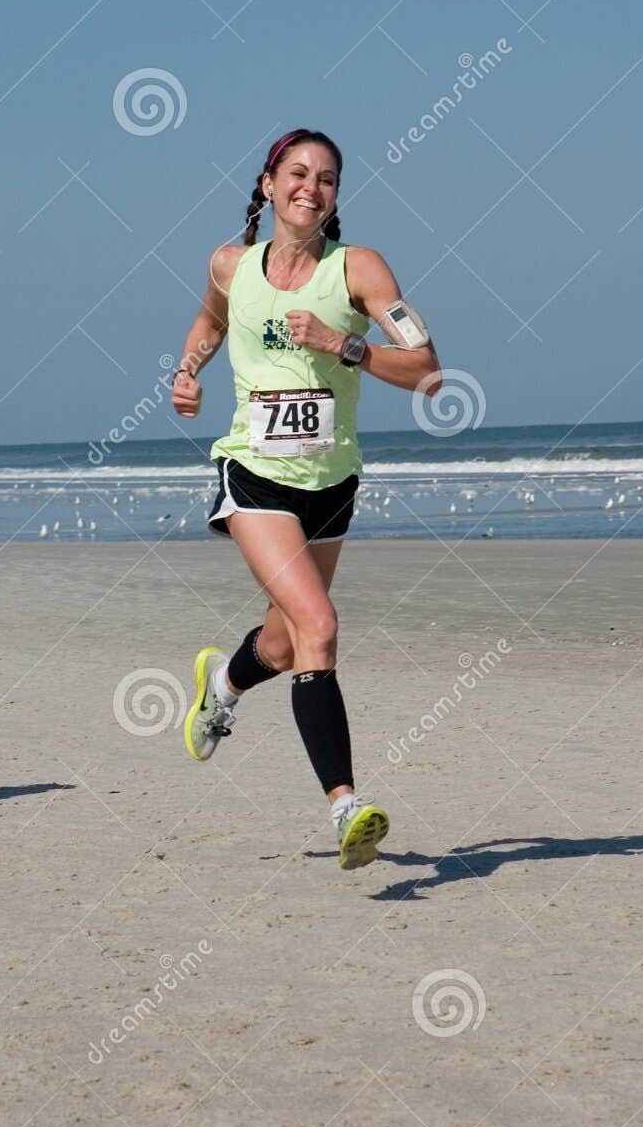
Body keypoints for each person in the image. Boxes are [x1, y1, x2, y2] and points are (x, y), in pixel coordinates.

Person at [171, 129, 441, 871]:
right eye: (296, 173)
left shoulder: (359, 269)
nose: (310, 188)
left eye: (325, 179)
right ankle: (345, 807)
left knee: (287, 642)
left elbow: (426, 370)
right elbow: (211, 322)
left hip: (330, 481)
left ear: (334, 196)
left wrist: (340, 343)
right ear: (266, 185)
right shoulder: (230, 264)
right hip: (252, 474)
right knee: (318, 625)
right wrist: (188, 370)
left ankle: (219, 686)